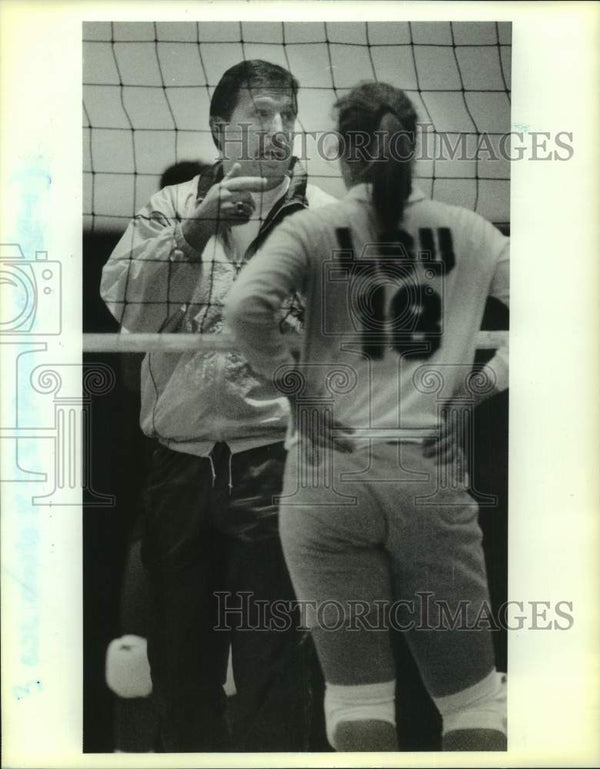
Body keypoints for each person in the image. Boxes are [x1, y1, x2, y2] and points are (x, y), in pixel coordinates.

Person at [226, 81, 509, 752]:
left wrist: (295, 389)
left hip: (326, 476)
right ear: (412, 150)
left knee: (355, 700)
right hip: (427, 472)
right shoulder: (471, 232)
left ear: (344, 154)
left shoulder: (312, 227)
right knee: (473, 704)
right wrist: (473, 394)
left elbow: (244, 310)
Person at [100, 60, 334, 752]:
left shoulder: (324, 219)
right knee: (180, 668)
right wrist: (196, 228)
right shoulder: (170, 206)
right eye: (261, 114)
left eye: (289, 115)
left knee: (275, 669)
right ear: (219, 128)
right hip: (181, 468)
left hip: (274, 469)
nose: (279, 128)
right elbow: (127, 309)